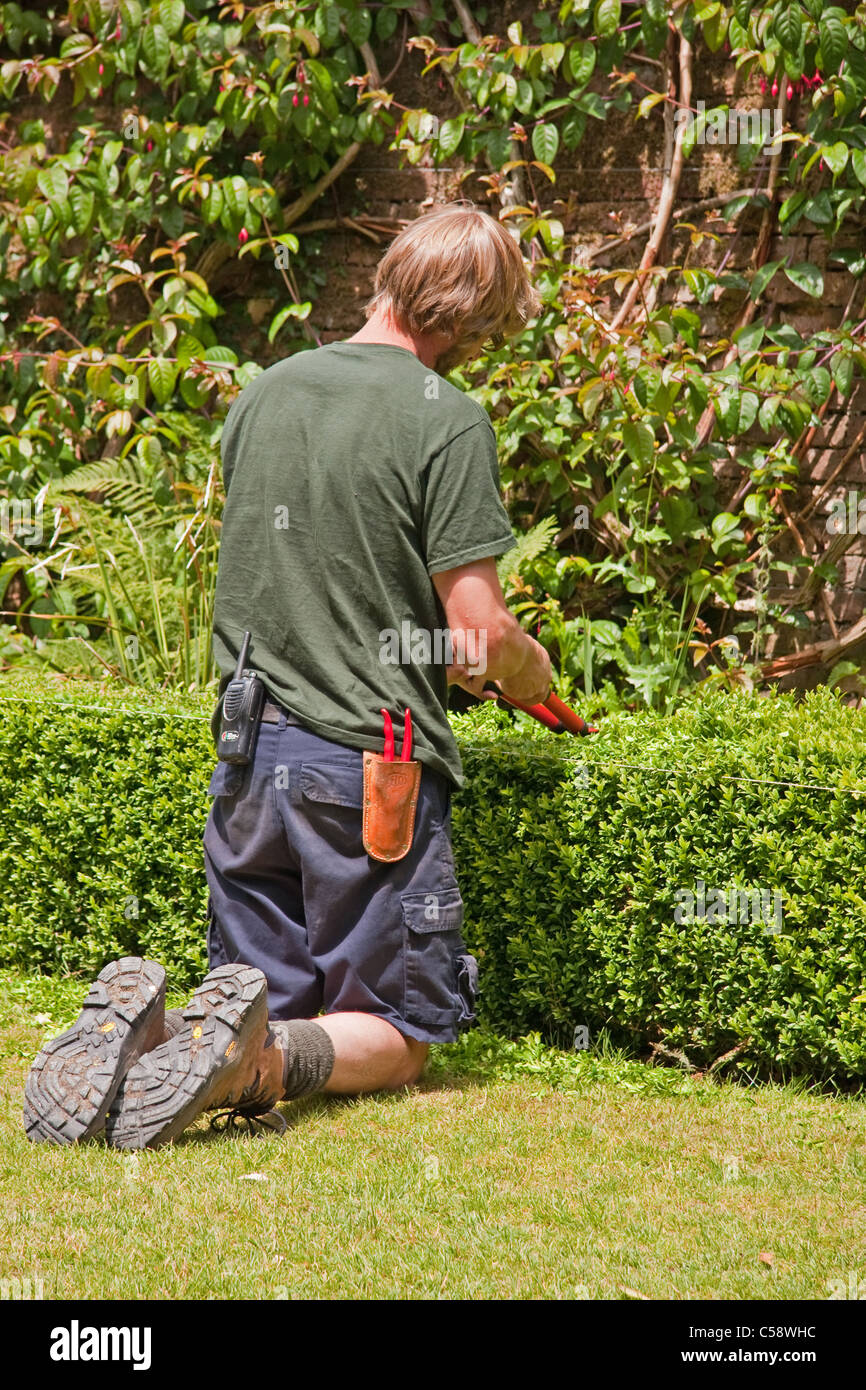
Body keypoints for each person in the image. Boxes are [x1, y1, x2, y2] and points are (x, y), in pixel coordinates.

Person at [23, 201, 552, 1148]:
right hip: (366, 765)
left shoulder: (265, 390)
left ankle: (154, 1040)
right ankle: (249, 1068)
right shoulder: (449, 419)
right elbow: (477, 639)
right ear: (471, 319)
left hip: (247, 757)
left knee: (267, 997)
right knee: (403, 1034)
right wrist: (526, 667)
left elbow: (313, 561)